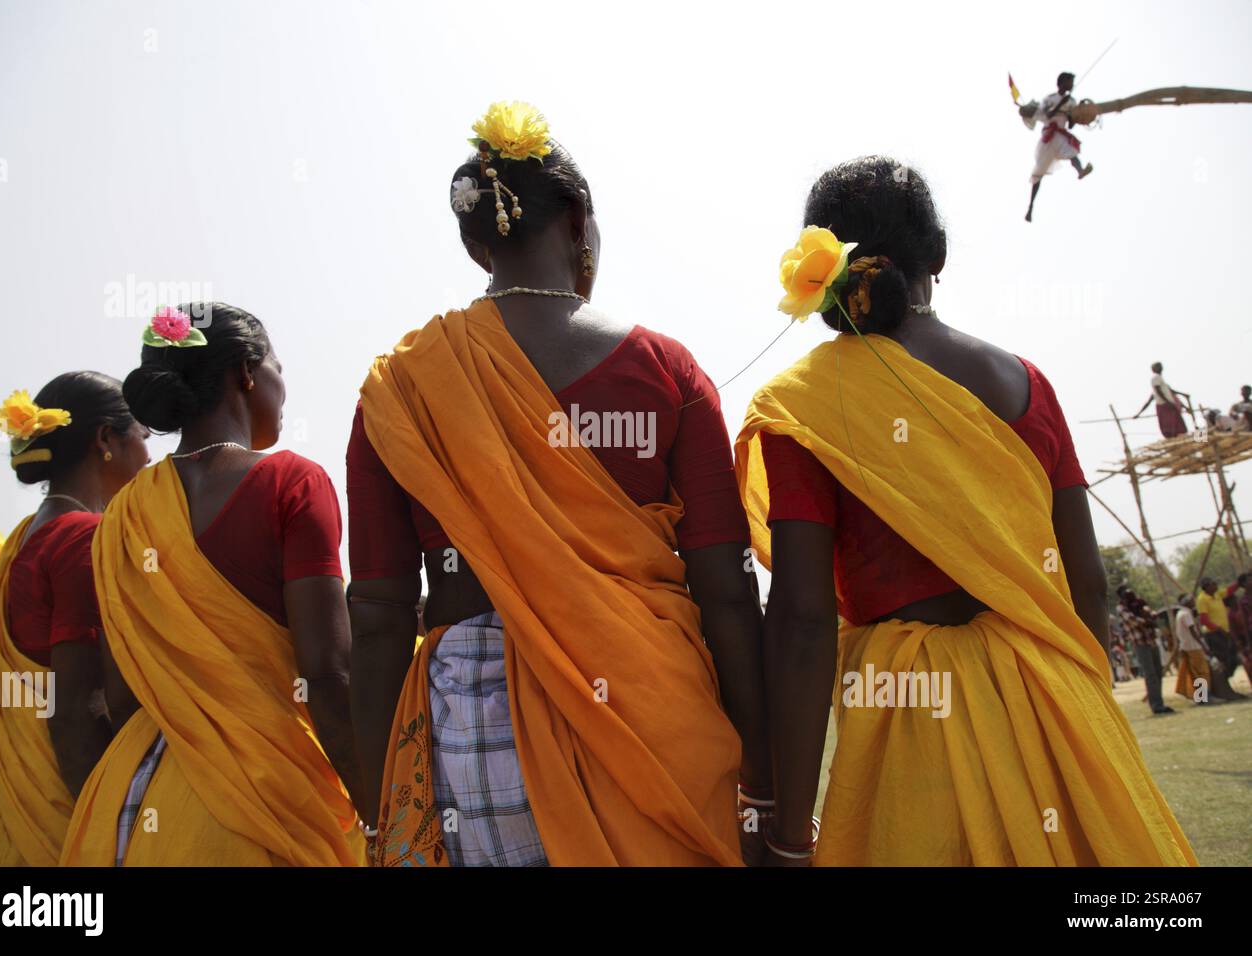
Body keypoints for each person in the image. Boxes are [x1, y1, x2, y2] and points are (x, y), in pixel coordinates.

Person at [736, 156, 1195, 865]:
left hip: (910, 724)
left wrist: (791, 834)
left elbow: (801, 621)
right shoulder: (1023, 382)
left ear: (821, 273)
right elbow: (1087, 583)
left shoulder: (806, 404)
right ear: (938, 256)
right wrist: (1087, 725)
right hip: (1055, 705)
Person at [348, 102, 767, 867]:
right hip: (653, 709)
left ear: (477, 247)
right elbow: (728, 589)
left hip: (471, 724)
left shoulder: (404, 384)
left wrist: (379, 814)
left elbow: (375, 617)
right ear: (580, 220)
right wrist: (766, 786)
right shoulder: (666, 369)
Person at [60, 305, 364, 866]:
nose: (284, 386)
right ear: (247, 373)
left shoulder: (122, 516)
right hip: (263, 799)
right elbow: (329, 674)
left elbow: (123, 694)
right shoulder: (291, 480)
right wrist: (376, 804)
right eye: (278, 366)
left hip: (132, 807)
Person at [0, 374, 148, 866]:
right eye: (143, 437)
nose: (149, 457)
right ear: (106, 440)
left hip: (2, 825)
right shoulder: (83, 537)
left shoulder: (24, 537)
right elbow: (77, 711)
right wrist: (109, 836)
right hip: (62, 833)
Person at [1020, 71, 1093, 222]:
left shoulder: (1072, 101)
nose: (1071, 85)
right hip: (1048, 137)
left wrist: (1076, 114)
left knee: (1073, 152)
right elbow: (1047, 115)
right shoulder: (1050, 98)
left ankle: (1080, 171)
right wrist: (1061, 104)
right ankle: (1030, 207)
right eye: (1069, 82)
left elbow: (1071, 125)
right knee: (1039, 172)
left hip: (1061, 134)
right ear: (1061, 83)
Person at [1116, 586, 1175, 714]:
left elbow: (1151, 613)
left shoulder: (1138, 603)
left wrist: (1150, 616)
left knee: (1158, 672)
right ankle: (1157, 705)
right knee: (1151, 674)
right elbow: (1134, 621)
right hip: (1140, 643)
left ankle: (1158, 702)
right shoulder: (1122, 608)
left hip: (1151, 640)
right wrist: (1148, 619)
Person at [1196, 576, 1245, 697]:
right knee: (1222, 660)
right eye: (1213, 583)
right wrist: (1218, 629)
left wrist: (1239, 582)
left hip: (1225, 633)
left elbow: (1229, 590)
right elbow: (1204, 619)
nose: (1216, 585)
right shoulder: (1202, 599)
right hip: (1214, 634)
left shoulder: (1217, 594)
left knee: (1231, 659)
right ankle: (1222, 690)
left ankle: (1225, 688)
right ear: (1206, 586)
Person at [1173, 594, 1213, 703]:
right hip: (1193, 646)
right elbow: (1192, 631)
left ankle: (1201, 697)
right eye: (1191, 601)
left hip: (1187, 646)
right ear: (1187, 602)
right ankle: (1204, 697)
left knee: (1195, 673)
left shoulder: (1181, 613)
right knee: (1202, 672)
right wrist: (1203, 645)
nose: (1194, 602)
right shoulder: (1186, 614)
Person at [1135, 362, 1190, 438]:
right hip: (1164, 405)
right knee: (1172, 427)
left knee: (1177, 425)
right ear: (1153, 370)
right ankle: (1176, 437)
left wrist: (1184, 401)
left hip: (1169, 404)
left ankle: (1182, 437)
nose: (1159, 368)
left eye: (1160, 366)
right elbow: (1157, 392)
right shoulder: (1156, 378)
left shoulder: (1163, 384)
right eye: (1157, 367)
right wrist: (1138, 414)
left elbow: (1172, 393)